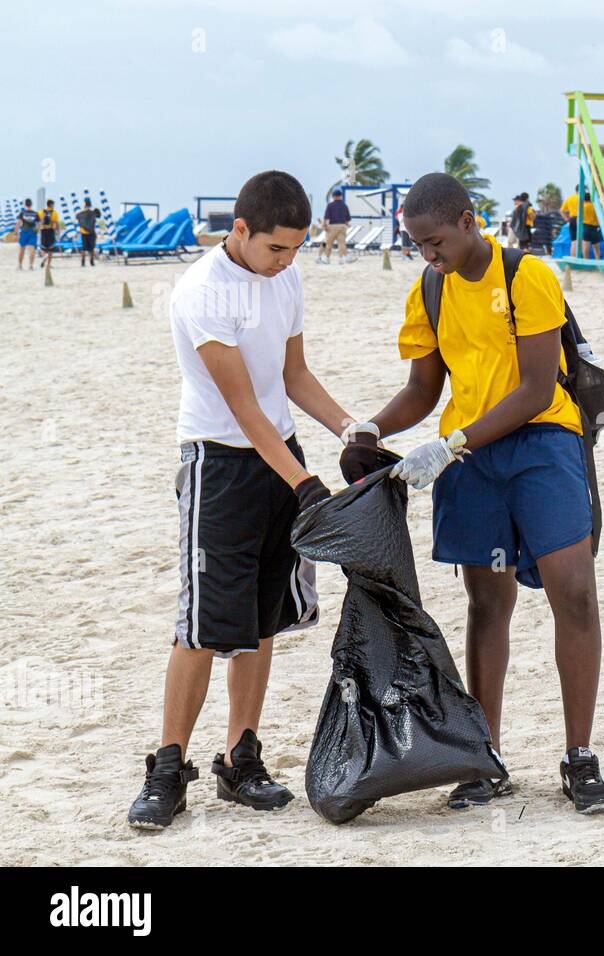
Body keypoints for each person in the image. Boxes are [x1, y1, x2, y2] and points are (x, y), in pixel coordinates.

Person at [338, 172, 604, 815]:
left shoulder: (527, 276)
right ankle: (484, 758)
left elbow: (537, 389)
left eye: (434, 241)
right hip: (469, 458)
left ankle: (579, 758)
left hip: (542, 445)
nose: (427, 255)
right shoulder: (431, 291)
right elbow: (422, 391)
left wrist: (450, 445)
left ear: (468, 221)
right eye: (417, 245)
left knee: (573, 592)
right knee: (486, 605)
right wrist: (371, 427)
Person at [126, 170, 363, 830]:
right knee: (202, 622)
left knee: (263, 618)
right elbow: (243, 405)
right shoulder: (202, 291)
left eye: (296, 249)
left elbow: (292, 378)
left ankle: (240, 759)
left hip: (279, 455)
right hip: (220, 462)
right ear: (240, 231)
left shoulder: (285, 276)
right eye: (276, 249)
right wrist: (305, 483)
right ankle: (167, 769)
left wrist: (350, 427)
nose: (287, 262)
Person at [561, 188, 600, 259]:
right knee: (595, 245)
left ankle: (574, 258)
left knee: (574, 241)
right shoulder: (593, 205)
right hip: (587, 223)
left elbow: (561, 210)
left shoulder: (570, 198)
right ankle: (597, 260)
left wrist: (566, 219)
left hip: (573, 219)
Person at [318, 187, 353, 264]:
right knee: (342, 243)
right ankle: (341, 259)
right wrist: (347, 224)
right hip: (342, 226)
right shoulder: (345, 205)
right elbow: (347, 220)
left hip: (332, 226)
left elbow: (327, 218)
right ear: (341, 196)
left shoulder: (330, 205)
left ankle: (326, 258)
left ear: (333, 196)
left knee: (328, 243)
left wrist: (325, 226)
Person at [76, 198, 102, 267]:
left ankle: (83, 261)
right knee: (91, 248)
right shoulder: (93, 213)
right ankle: (91, 261)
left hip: (84, 232)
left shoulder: (80, 213)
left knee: (84, 248)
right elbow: (99, 215)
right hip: (91, 232)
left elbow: (78, 219)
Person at [15, 199, 38, 270]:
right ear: (31, 204)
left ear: (25, 205)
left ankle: (20, 266)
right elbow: (39, 224)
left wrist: (15, 233)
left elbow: (18, 223)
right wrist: (37, 231)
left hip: (24, 231)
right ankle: (31, 266)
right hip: (33, 232)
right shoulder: (35, 213)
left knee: (22, 249)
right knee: (32, 249)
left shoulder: (22, 213)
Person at [37, 200, 60, 270]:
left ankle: (44, 256)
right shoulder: (55, 213)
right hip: (51, 231)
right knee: (51, 248)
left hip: (43, 231)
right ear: (52, 205)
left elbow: (38, 222)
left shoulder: (41, 212)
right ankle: (49, 264)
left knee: (43, 247)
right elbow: (56, 223)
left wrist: (38, 230)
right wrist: (58, 232)